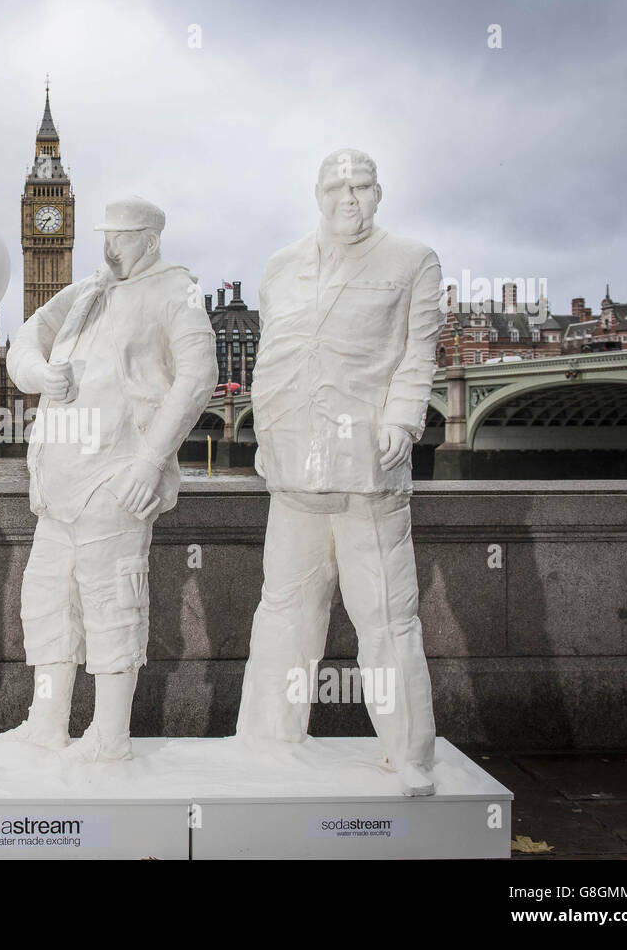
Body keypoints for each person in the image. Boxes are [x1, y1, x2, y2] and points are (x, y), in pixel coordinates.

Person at [236, 149, 444, 795]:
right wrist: (266, 436)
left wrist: (403, 420)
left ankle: (409, 751)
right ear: (316, 193)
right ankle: (269, 736)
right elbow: (272, 359)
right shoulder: (280, 269)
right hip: (295, 472)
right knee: (283, 611)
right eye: (336, 186)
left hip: (367, 474)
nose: (348, 198)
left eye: (361, 186)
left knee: (386, 617)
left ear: (379, 194)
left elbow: (419, 354)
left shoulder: (413, 262)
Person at [3, 195, 218, 762]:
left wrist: (150, 462)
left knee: (112, 605)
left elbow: (199, 376)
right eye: (106, 234)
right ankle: (47, 722)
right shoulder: (91, 289)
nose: (109, 246)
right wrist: (37, 373)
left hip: (116, 476)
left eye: (121, 237)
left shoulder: (178, 291)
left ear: (151, 239)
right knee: (46, 602)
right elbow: (26, 335)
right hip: (58, 485)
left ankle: (110, 737)